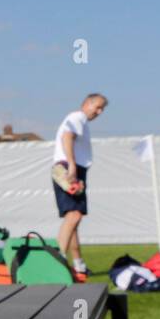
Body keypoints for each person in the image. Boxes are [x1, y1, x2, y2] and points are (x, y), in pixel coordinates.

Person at [53, 93, 107, 276]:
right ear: (87, 103)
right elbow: (67, 137)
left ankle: (78, 266)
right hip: (69, 167)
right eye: (97, 107)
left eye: (102, 109)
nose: (99, 112)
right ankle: (56, 261)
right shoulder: (77, 117)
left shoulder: (81, 121)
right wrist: (72, 165)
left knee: (72, 218)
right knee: (75, 215)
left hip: (73, 167)